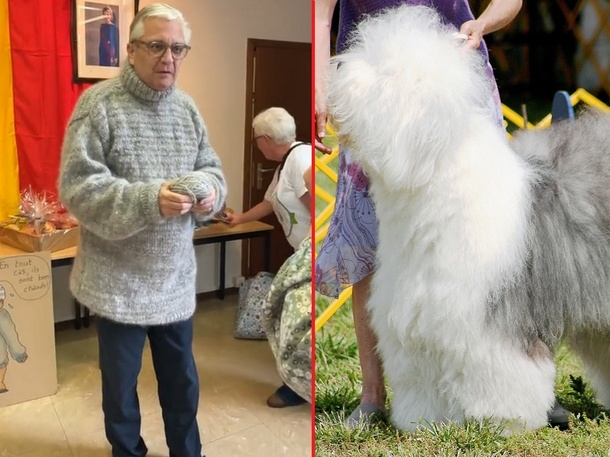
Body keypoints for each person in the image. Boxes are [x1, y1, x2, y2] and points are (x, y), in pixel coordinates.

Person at [315, 0, 569, 429]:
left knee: (490, 248)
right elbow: (321, 13)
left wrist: (482, 24)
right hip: (376, 95)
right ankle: (375, 395)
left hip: (453, 85)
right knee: (371, 247)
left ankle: (515, 379)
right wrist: (319, 85)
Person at [58, 4, 226, 456]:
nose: (168, 57)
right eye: (156, 45)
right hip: (118, 284)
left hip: (173, 281)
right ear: (131, 51)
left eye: (177, 48)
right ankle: (128, 452)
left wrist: (210, 192)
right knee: (120, 392)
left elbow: (210, 168)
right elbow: (78, 188)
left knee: (182, 385)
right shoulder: (99, 105)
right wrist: (149, 200)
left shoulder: (187, 109)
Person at [225, 107, 312, 407]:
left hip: (312, 258)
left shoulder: (300, 159)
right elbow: (269, 203)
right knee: (293, 320)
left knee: (295, 320)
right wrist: (238, 219)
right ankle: (297, 385)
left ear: (265, 139)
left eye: (256, 140)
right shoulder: (285, 164)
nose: (256, 145)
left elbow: (320, 208)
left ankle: (297, 387)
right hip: (302, 255)